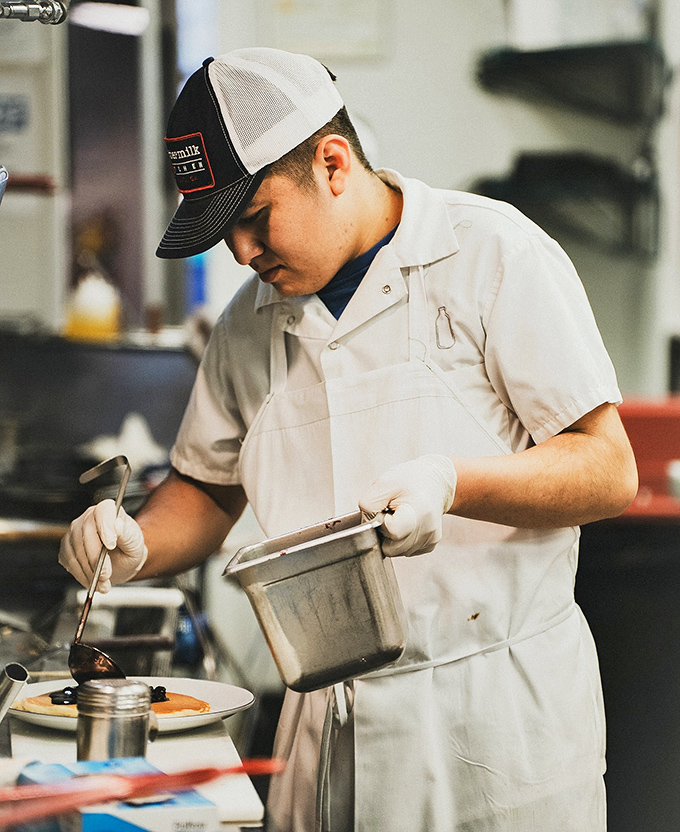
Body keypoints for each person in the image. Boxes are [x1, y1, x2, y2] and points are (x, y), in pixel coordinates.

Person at [59, 47, 638, 832]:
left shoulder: (492, 257)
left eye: (254, 219)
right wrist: (133, 542)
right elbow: (206, 488)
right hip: (325, 732)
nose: (241, 253)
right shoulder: (245, 328)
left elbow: (607, 470)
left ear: (333, 163)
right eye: (225, 232)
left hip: (492, 730)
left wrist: (453, 481)